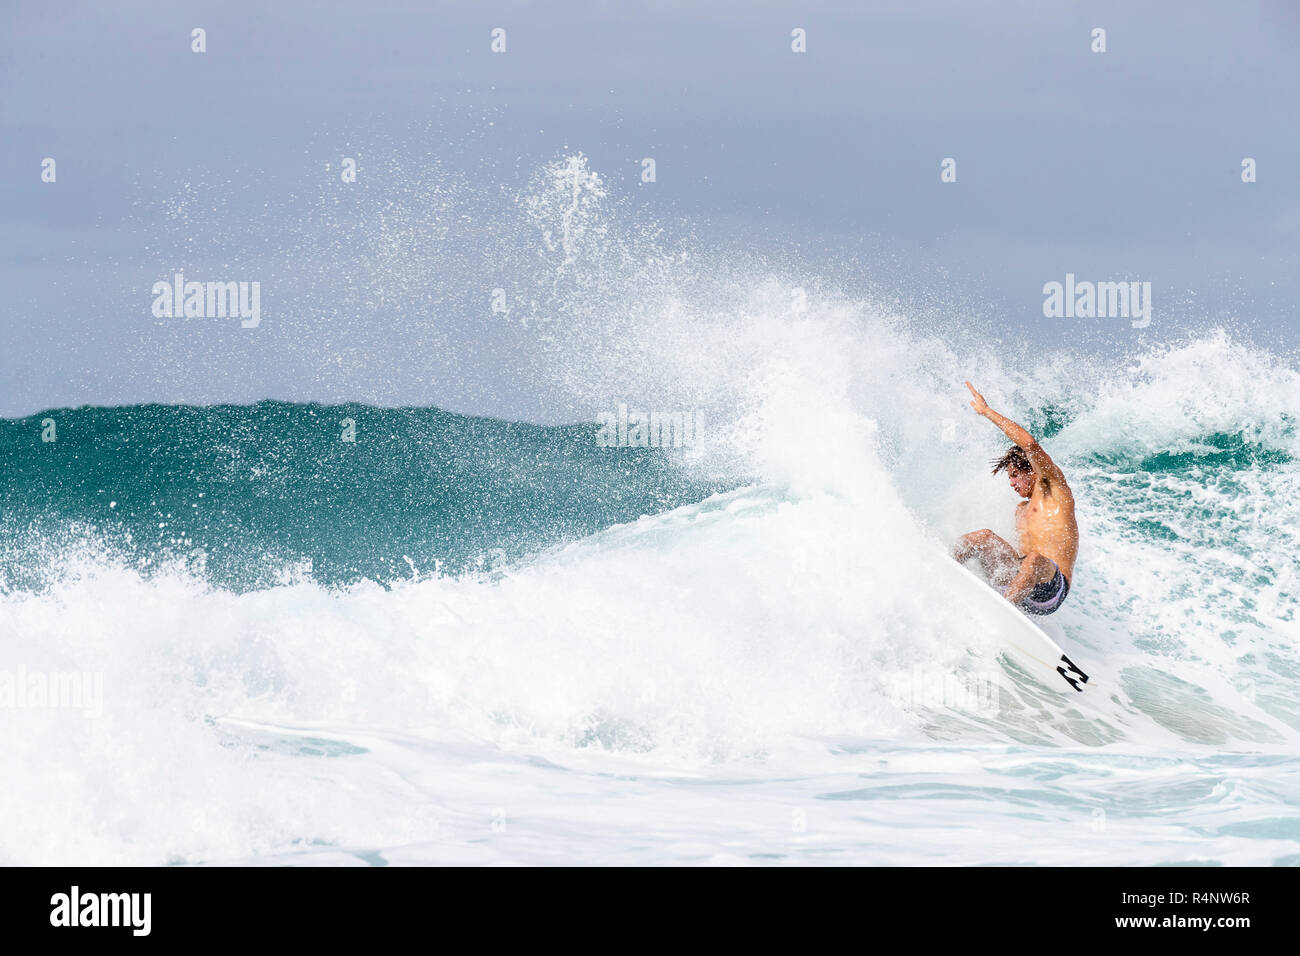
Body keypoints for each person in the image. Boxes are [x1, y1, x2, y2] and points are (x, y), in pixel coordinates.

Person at [952, 381, 1078, 615]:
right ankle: (942, 565)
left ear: (1032, 470)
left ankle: (1000, 615)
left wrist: (987, 412)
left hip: (1051, 591)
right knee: (983, 537)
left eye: (1015, 475)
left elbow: (1029, 443)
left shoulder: (1055, 492)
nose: (1011, 483)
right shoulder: (1021, 509)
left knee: (1033, 559)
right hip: (1020, 586)